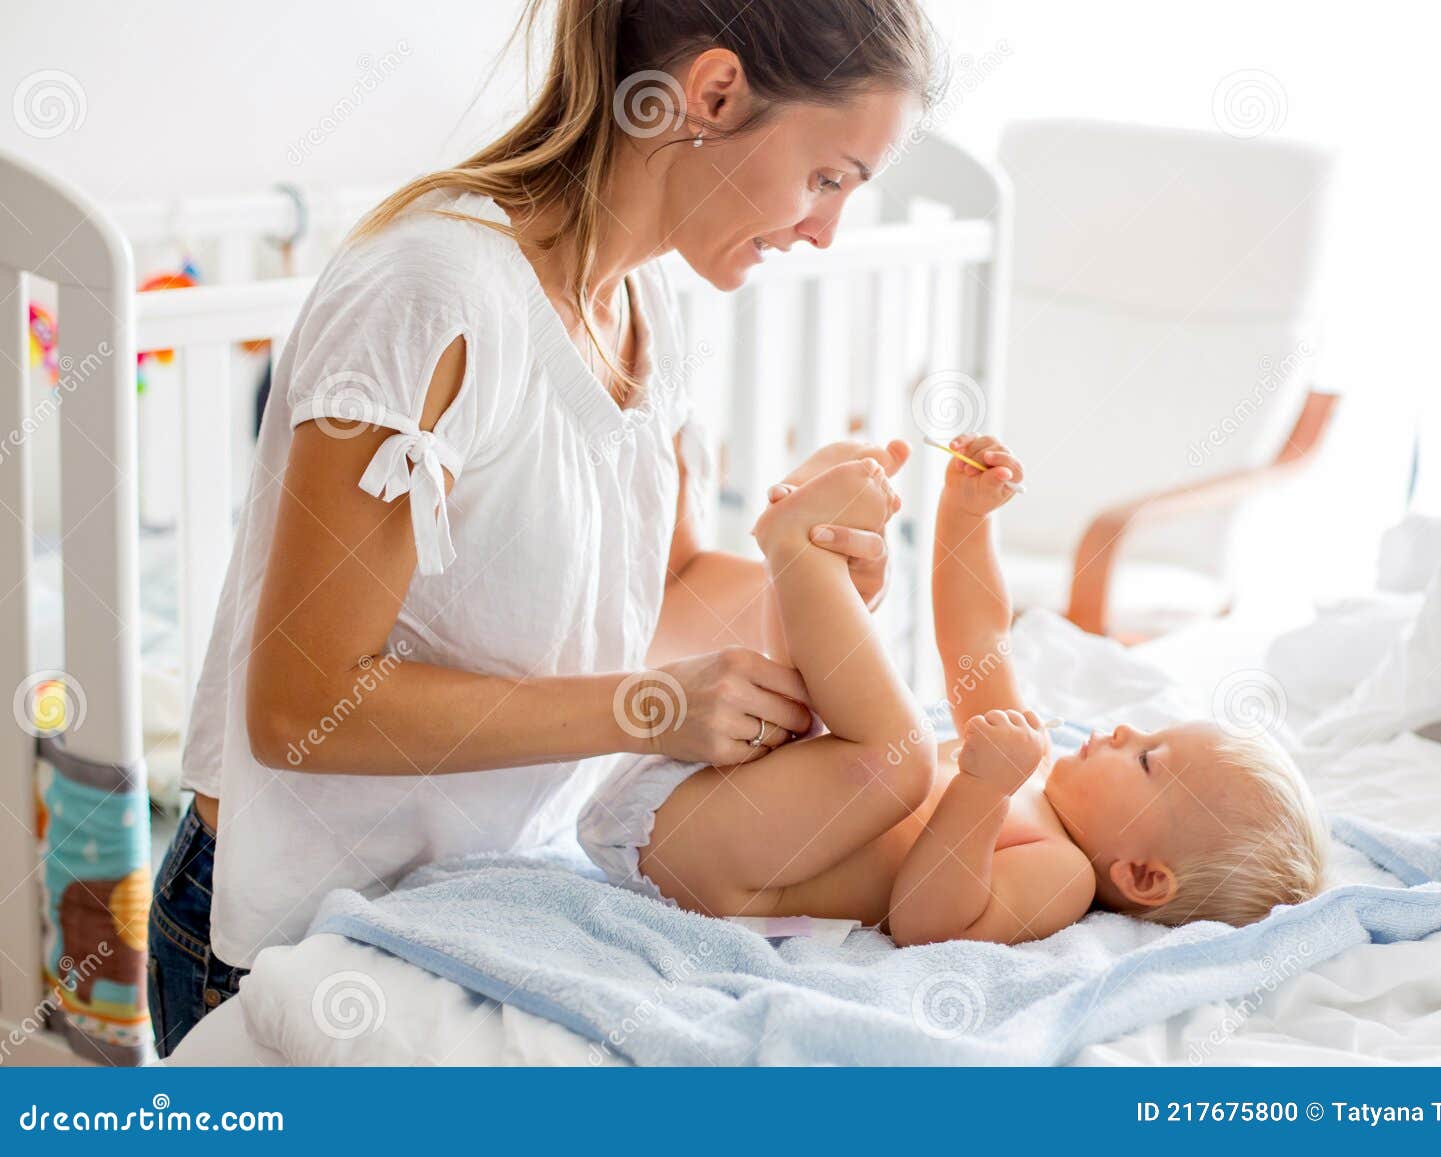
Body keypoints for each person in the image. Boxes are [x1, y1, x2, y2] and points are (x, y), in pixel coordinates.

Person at [148, 0, 939, 1056]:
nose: (824, 229)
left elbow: (665, 587)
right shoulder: (431, 294)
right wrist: (645, 709)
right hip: (282, 930)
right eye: (828, 176)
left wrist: (808, 579)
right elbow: (304, 706)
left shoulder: (648, 307)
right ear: (710, 96)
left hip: (463, 909)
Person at [579, 436, 1330, 943]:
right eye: (1149, 730)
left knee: (894, 756)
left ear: (1141, 874)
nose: (1125, 733)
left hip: (718, 864)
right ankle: (817, 543)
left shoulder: (1062, 875)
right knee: (826, 710)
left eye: (1148, 761)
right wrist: (966, 517)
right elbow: (976, 639)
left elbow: (926, 923)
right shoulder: (1033, 759)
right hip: (721, 784)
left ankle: (798, 552)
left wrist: (979, 792)